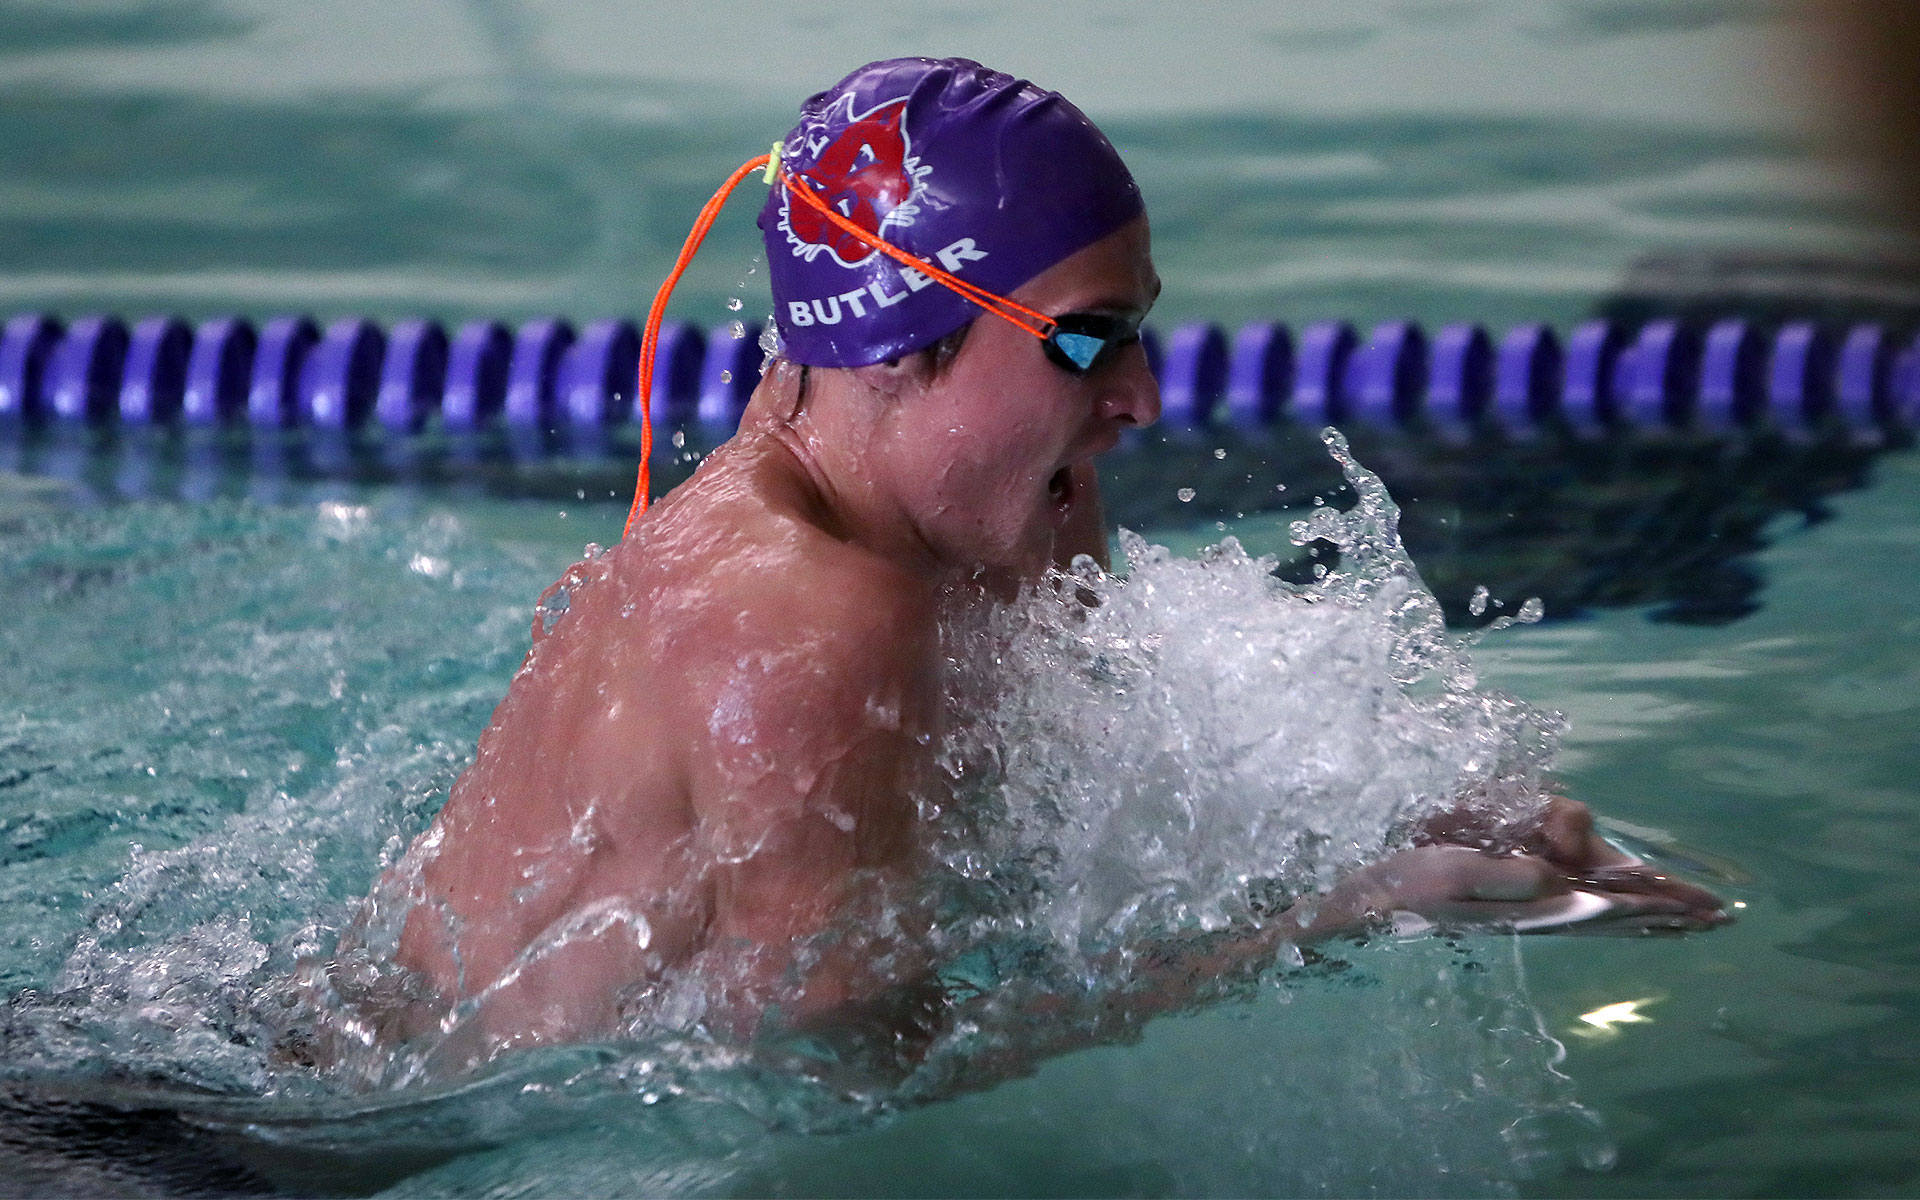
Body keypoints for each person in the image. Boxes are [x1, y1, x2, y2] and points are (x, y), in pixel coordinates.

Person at [344, 58, 1726, 1075]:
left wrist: (1413, 815)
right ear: (895, 347)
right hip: (332, 1147)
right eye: (1086, 338)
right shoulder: (802, 622)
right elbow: (837, 1084)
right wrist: (1349, 912)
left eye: (1139, 331)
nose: (1142, 399)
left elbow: (1098, 770)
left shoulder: (998, 488)